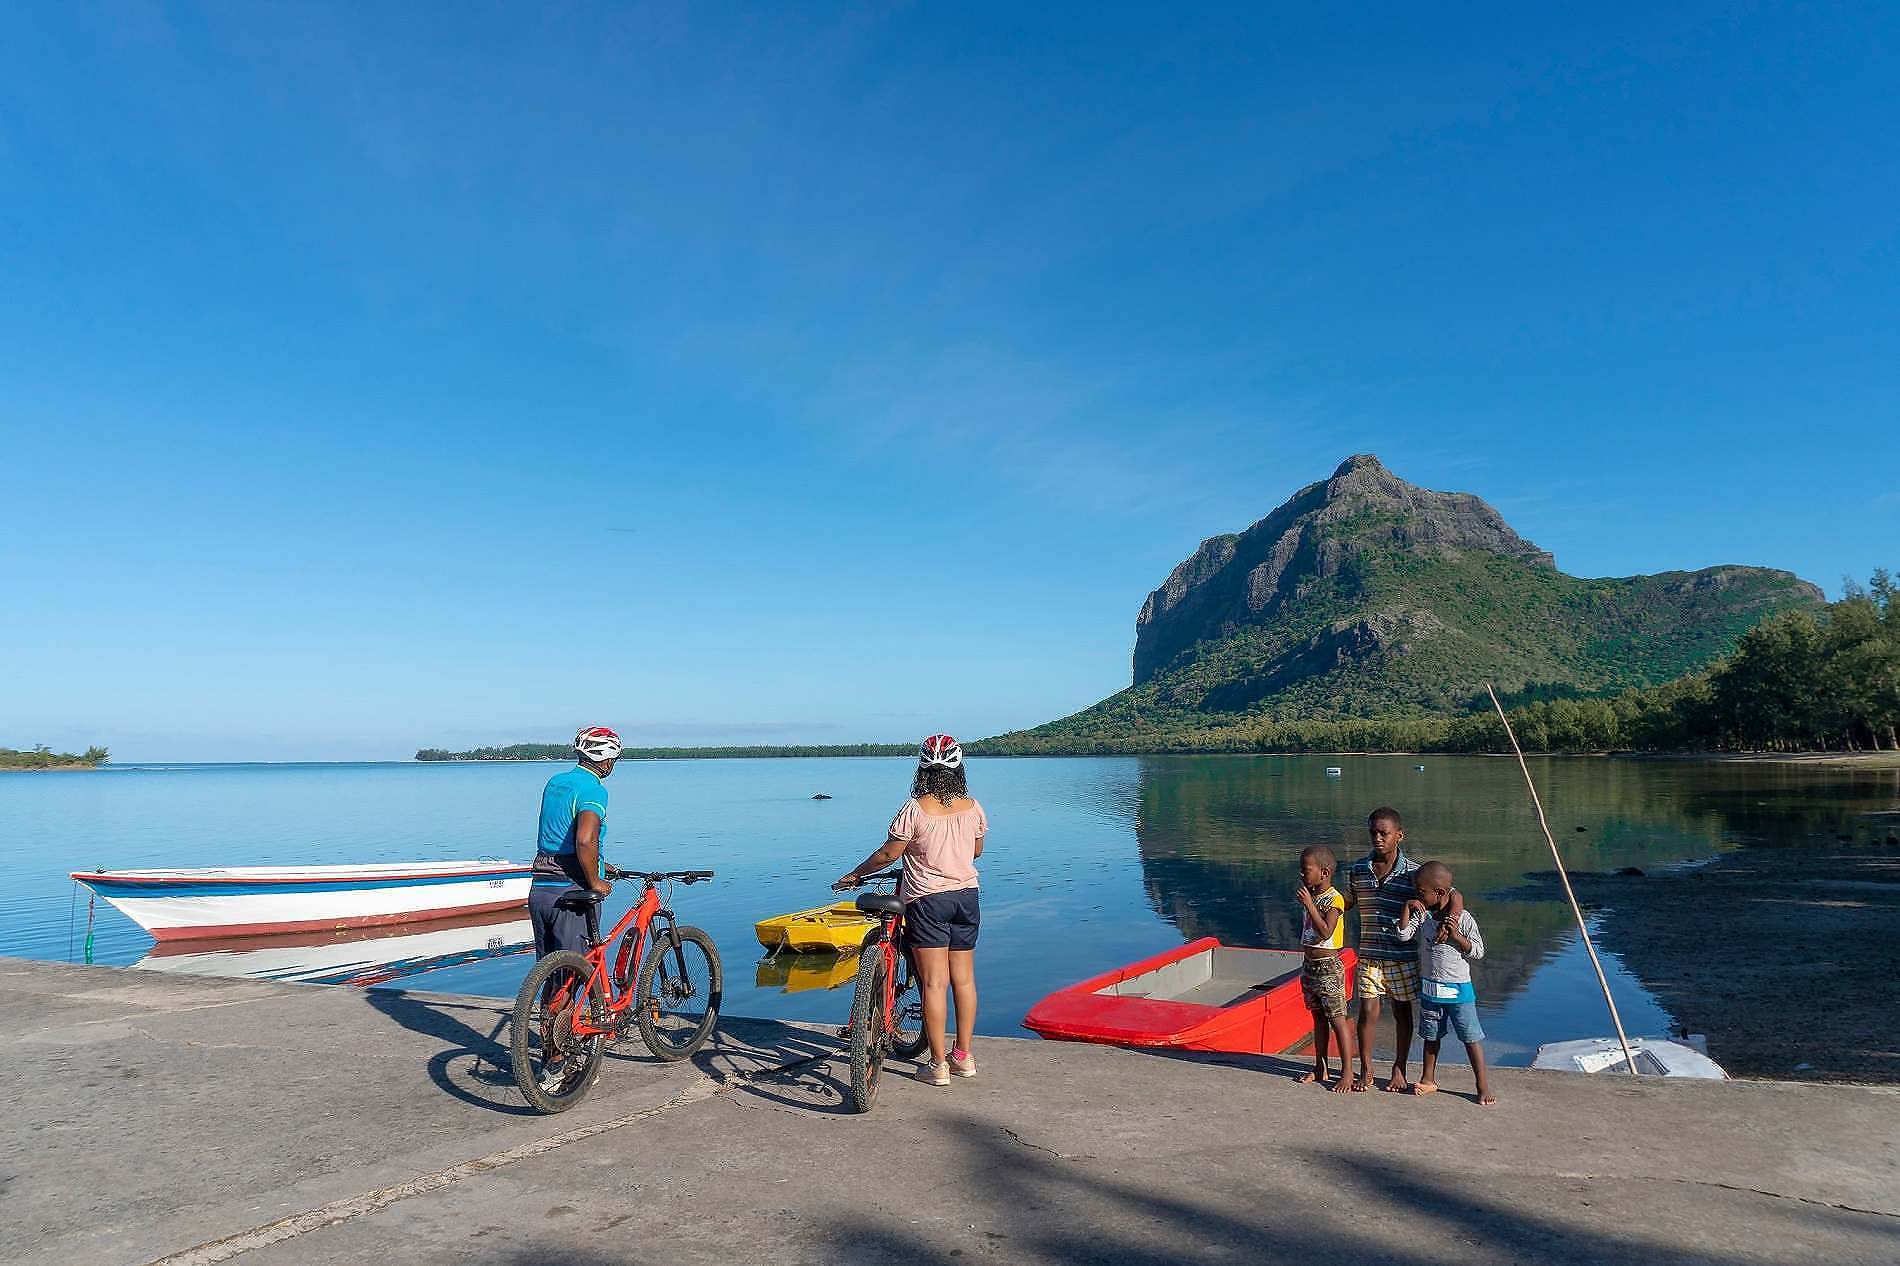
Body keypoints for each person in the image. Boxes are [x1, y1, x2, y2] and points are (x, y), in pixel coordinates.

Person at [838, 734, 985, 1088]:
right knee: (963, 980)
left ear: (922, 768)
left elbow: (888, 854)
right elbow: (977, 851)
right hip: (966, 897)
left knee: (934, 984)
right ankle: (963, 1057)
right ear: (958, 768)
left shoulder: (915, 809)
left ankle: (938, 1065)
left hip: (928, 901)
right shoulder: (973, 807)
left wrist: (856, 874)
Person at [1339, 807, 1462, 1092]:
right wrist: (1322, 903)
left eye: (1384, 833)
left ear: (1399, 836)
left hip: (1402, 956)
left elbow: (1453, 893)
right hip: (1370, 953)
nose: (1378, 838)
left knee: (1402, 1011)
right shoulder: (1358, 870)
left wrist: (1452, 919)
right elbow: (1347, 901)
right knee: (1368, 1010)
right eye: (1373, 833)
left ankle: (1399, 1067)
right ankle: (1367, 1068)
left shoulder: (1414, 873)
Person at [1397, 861, 1494, 1105]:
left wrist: (1456, 937)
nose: (1417, 896)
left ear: (1439, 893)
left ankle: (1482, 1086)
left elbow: (1479, 951)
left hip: (1459, 993)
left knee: (1470, 1038)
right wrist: (1408, 908)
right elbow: (1403, 934)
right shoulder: (1424, 916)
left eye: (1421, 893)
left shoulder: (1464, 919)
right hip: (1431, 991)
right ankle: (1428, 1079)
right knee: (1431, 1037)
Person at [528, 725, 621, 960]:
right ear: (607, 762)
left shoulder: (556, 782)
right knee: (574, 975)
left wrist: (600, 862)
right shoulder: (593, 789)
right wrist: (595, 880)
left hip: (541, 886)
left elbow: (560, 833)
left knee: (552, 973)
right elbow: (584, 840)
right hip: (570, 887)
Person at [1293, 845, 1355, 1093]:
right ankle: (1320, 1067)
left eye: (1305, 870)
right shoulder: (1313, 893)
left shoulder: (1333, 899)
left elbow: (1326, 932)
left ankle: (1348, 1072)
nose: (1301, 875)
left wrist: (1309, 905)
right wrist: (1309, 899)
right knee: (1317, 1017)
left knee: (1337, 1019)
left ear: (1324, 872)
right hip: (1310, 965)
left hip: (1328, 966)